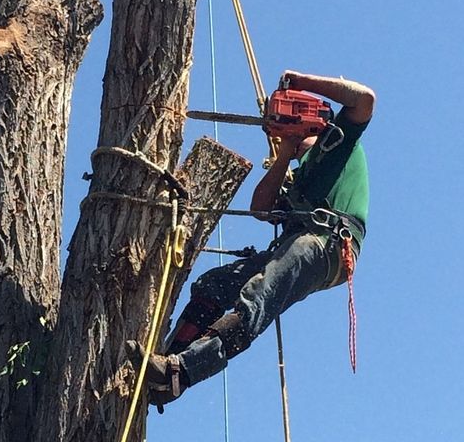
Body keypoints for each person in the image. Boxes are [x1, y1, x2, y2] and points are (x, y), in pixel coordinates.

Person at [128, 70, 375, 409]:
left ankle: (182, 371)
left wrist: (302, 83)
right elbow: (260, 208)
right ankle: (168, 363)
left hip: (330, 243)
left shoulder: (340, 140)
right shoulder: (298, 178)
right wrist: (284, 155)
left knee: (259, 294)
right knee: (216, 284)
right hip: (301, 243)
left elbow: (364, 99)